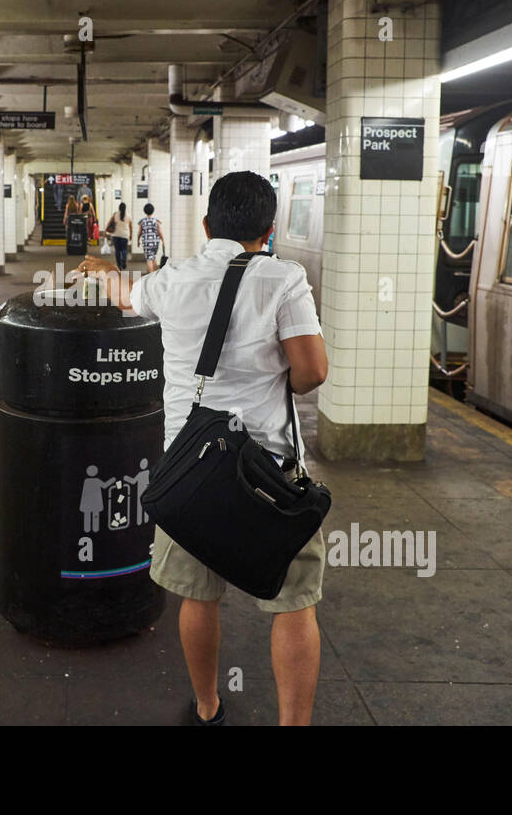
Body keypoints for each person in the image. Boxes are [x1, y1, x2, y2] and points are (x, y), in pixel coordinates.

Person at [77, 171, 329, 727]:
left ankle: (208, 706)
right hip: (269, 470)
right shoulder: (285, 279)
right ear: (269, 228)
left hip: (189, 467)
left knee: (198, 594)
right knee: (293, 600)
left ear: (208, 223)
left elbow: (127, 297)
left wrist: (108, 270)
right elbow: (312, 374)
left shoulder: (173, 279)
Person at [137, 203, 165, 273]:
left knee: (149, 259)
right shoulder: (156, 221)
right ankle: (155, 276)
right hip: (155, 242)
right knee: (153, 257)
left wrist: (138, 240)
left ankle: (151, 276)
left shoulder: (142, 221)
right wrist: (163, 240)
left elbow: (139, 232)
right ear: (153, 211)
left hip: (146, 242)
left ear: (144, 211)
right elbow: (160, 232)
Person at [106, 202, 133, 270]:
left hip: (116, 235)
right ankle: (123, 261)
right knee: (124, 249)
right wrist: (131, 235)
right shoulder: (128, 216)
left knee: (117, 250)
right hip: (125, 235)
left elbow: (109, 223)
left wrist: (105, 231)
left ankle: (119, 264)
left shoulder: (115, 214)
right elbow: (131, 227)